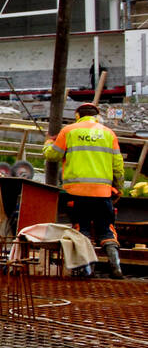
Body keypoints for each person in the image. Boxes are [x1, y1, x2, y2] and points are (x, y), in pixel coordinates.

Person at [43, 103, 125, 278]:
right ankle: (116, 266)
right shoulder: (109, 133)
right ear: (97, 116)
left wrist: (49, 142)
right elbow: (118, 165)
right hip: (103, 194)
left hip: (77, 193)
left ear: (77, 115)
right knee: (107, 229)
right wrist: (118, 188)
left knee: (82, 230)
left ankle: (87, 270)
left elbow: (52, 155)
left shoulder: (69, 131)